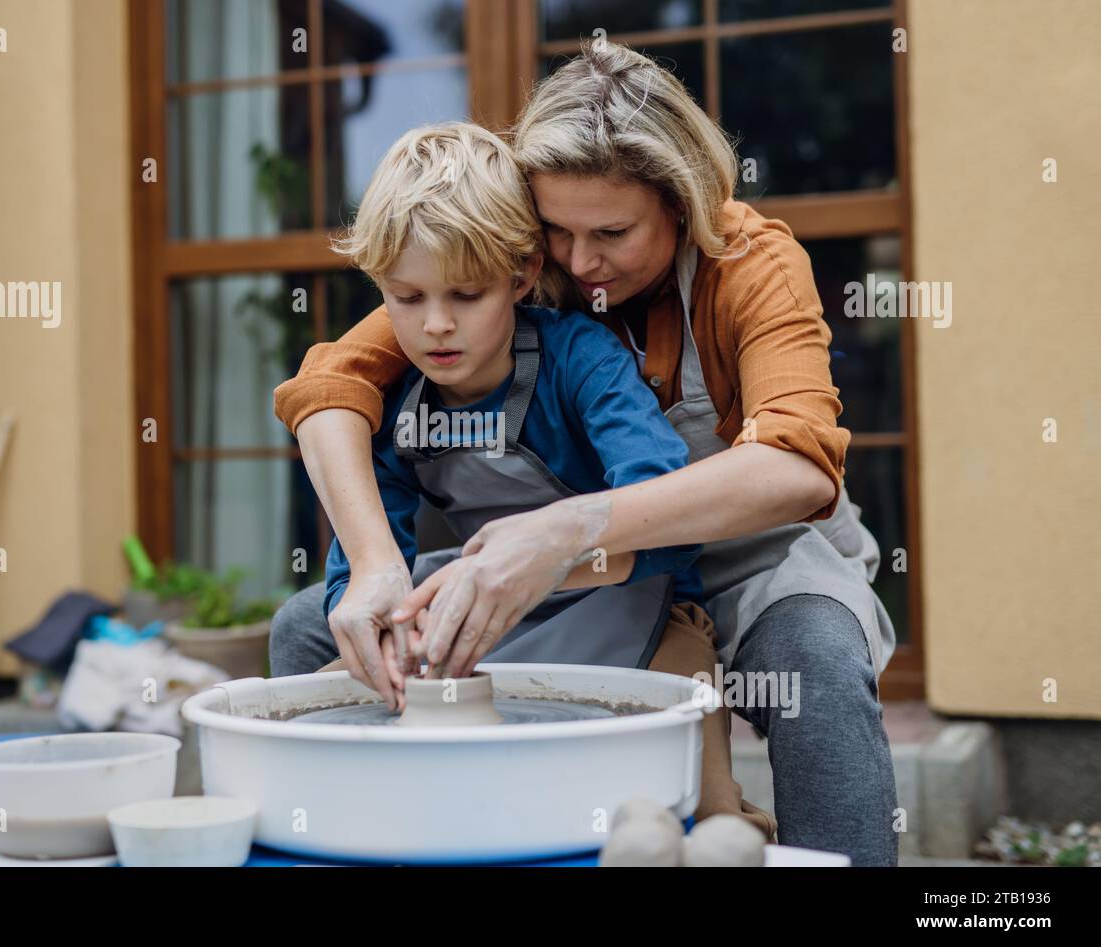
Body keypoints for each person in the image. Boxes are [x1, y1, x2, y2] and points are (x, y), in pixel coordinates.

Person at [273, 42, 898, 865]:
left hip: (754, 551)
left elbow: (797, 466)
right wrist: (378, 569)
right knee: (309, 629)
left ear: (684, 202)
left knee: (812, 656)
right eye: (557, 233)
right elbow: (327, 391)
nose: (580, 262)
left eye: (612, 232)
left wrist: (567, 532)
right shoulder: (505, 265)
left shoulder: (751, 264)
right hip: (570, 563)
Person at [286, 119, 777, 839]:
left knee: (700, 814)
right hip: (485, 621)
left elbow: (672, 531)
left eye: (467, 295)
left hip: (645, 610)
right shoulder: (391, 404)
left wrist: (534, 572)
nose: (436, 327)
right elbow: (364, 571)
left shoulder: (582, 360)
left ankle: (728, 827)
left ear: (519, 277)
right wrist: (380, 626)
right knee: (316, 730)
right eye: (408, 298)